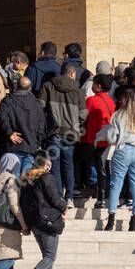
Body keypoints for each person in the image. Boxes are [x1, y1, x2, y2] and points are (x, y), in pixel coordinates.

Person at [38, 61, 87, 206]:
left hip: (54, 132)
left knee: (55, 165)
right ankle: (70, 197)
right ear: (72, 73)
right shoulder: (78, 90)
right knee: (68, 164)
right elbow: (84, 114)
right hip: (71, 134)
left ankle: (58, 196)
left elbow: (40, 107)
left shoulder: (48, 86)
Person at [102, 88, 135, 232]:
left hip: (122, 150)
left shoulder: (118, 115)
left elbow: (111, 137)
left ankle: (111, 219)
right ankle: (134, 218)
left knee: (116, 183)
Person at [18, 156, 66, 269]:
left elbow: (23, 202)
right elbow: (54, 198)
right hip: (48, 221)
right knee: (50, 256)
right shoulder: (46, 178)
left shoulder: (27, 179)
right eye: (48, 164)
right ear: (45, 165)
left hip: (35, 222)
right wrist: (64, 207)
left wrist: (26, 224)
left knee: (47, 256)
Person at [0, 76, 45, 179]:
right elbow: (41, 126)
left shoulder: (7, 101)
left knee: (13, 181)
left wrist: (9, 133)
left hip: (13, 147)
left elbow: (2, 119)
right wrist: (37, 143)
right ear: (30, 88)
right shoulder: (36, 104)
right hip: (29, 147)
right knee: (26, 180)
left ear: (16, 86)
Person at [85, 73, 115, 208]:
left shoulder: (91, 101)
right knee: (105, 168)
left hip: (94, 139)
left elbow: (84, 118)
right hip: (109, 140)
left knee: (97, 167)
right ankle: (104, 195)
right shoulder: (111, 101)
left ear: (98, 86)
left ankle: (98, 194)